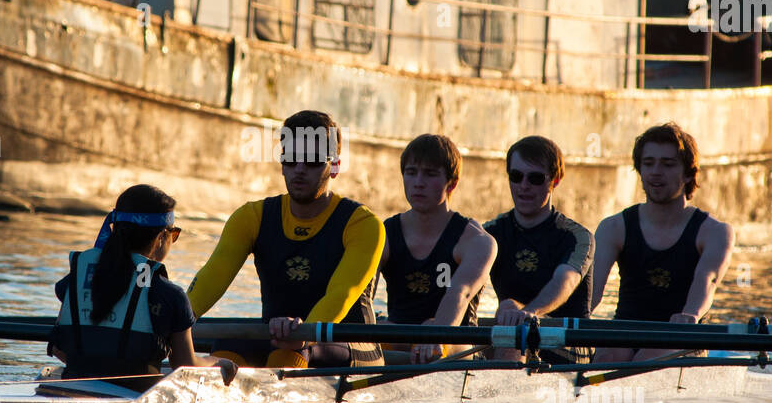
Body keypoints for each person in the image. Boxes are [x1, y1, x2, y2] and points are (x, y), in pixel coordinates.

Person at [188, 110, 386, 369]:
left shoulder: (364, 225)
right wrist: (173, 321)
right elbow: (210, 279)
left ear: (334, 167)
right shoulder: (250, 217)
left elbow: (341, 294)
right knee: (227, 344)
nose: (300, 170)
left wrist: (304, 335)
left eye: (313, 161)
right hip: (281, 339)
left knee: (293, 354)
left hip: (350, 345)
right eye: (291, 159)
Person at [46, 184, 235, 382]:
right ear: (162, 237)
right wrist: (215, 361)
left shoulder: (75, 278)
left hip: (72, 387)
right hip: (135, 397)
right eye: (174, 234)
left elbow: (59, 348)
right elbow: (185, 365)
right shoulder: (170, 295)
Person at [591, 123, 735, 363]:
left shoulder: (714, 232)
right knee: (607, 358)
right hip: (624, 335)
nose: (656, 172)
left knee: (644, 362)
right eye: (648, 164)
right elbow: (590, 295)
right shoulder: (613, 227)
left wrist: (690, 314)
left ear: (688, 173)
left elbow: (707, 279)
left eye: (667, 165)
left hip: (681, 335)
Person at [375, 134, 496, 363]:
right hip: (398, 338)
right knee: (380, 329)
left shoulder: (477, 241)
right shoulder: (384, 233)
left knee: (431, 328)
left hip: (453, 342)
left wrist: (435, 336)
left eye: (430, 174)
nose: (418, 182)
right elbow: (362, 293)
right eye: (411, 173)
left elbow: (459, 294)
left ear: (452, 182)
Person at [483, 135, 594, 363]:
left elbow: (565, 282)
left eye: (535, 178)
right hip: (514, 336)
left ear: (555, 180)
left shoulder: (577, 237)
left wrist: (530, 313)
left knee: (511, 334)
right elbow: (459, 283)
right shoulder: (489, 234)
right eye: (516, 176)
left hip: (568, 343)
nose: (524, 186)